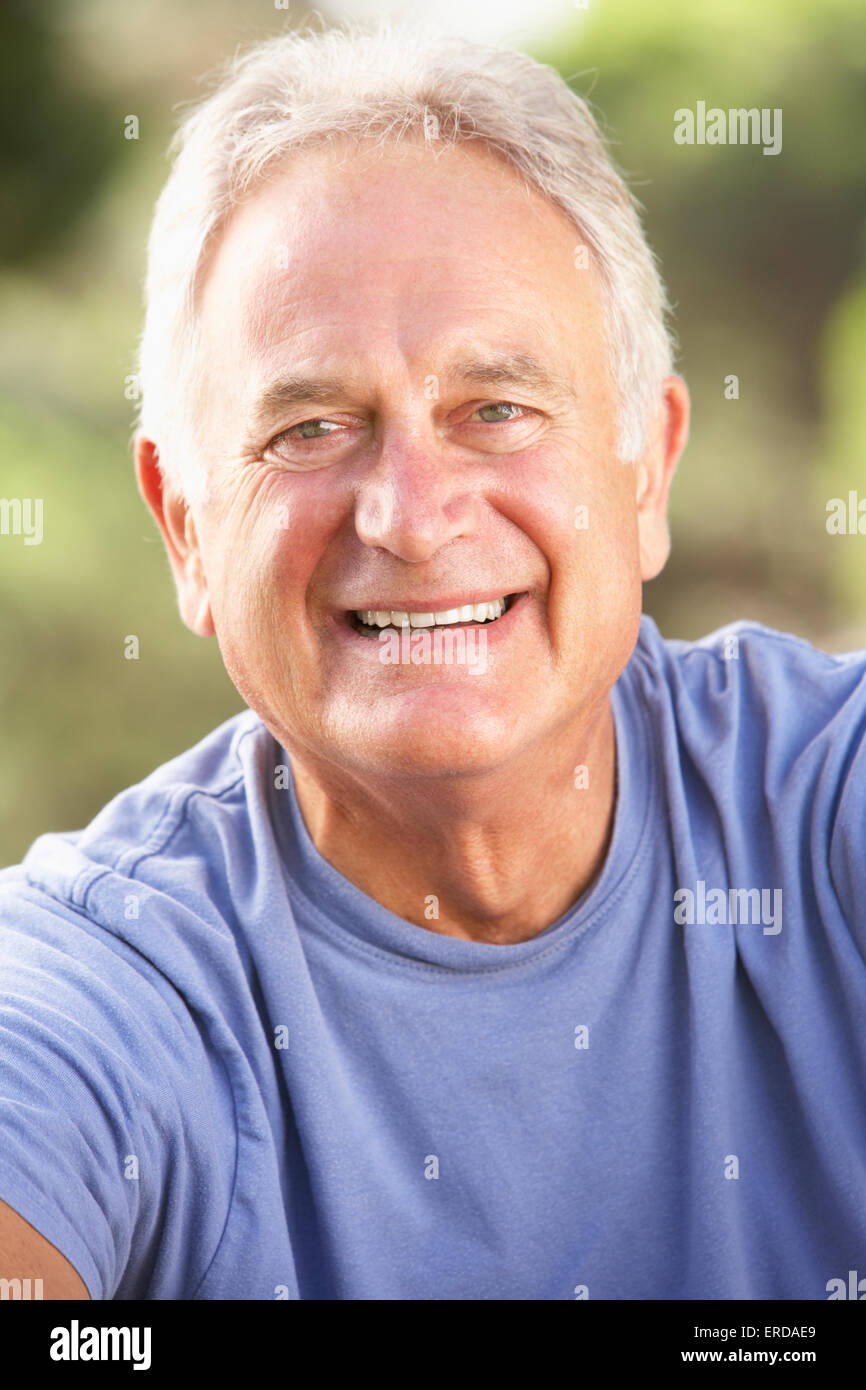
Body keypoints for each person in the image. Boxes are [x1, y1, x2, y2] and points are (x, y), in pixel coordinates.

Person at [1, 24, 864, 1302]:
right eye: (309, 428)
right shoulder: (101, 983)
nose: (407, 514)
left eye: (496, 410)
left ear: (645, 471)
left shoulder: (825, 803)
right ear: (185, 525)